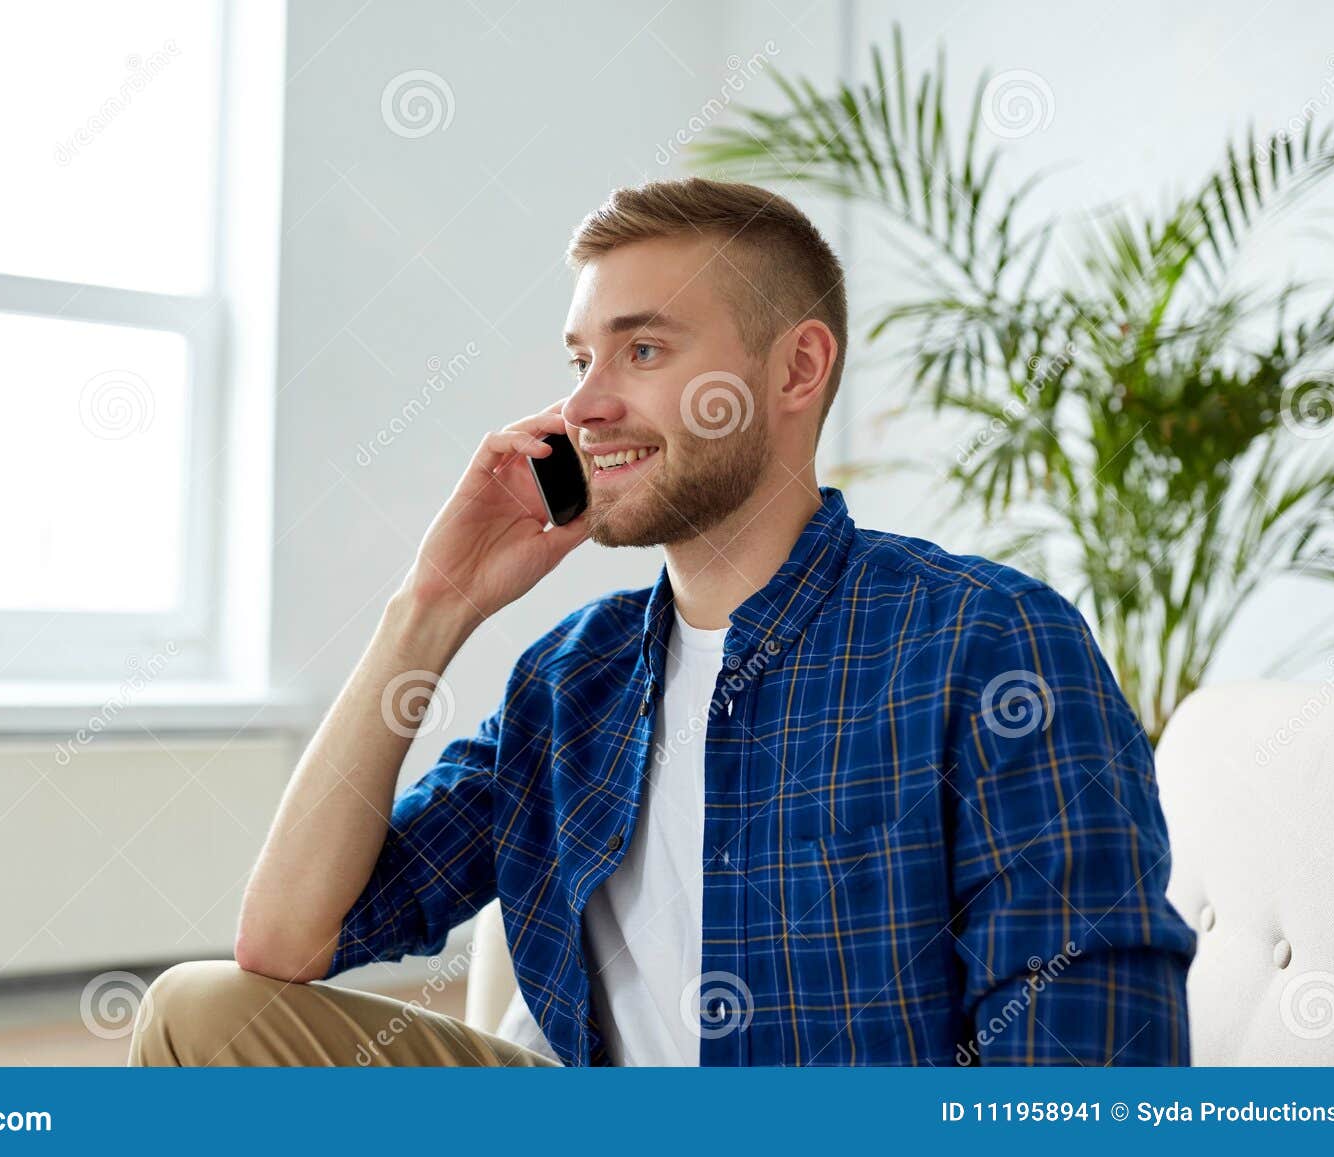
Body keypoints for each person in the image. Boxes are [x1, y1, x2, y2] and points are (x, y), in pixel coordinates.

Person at [130, 177, 1194, 1068]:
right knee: (201, 1008)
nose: (585, 404)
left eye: (642, 351)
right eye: (578, 358)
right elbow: (284, 938)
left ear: (796, 369)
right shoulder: (571, 677)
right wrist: (431, 604)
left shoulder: (986, 641)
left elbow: (1095, 1066)